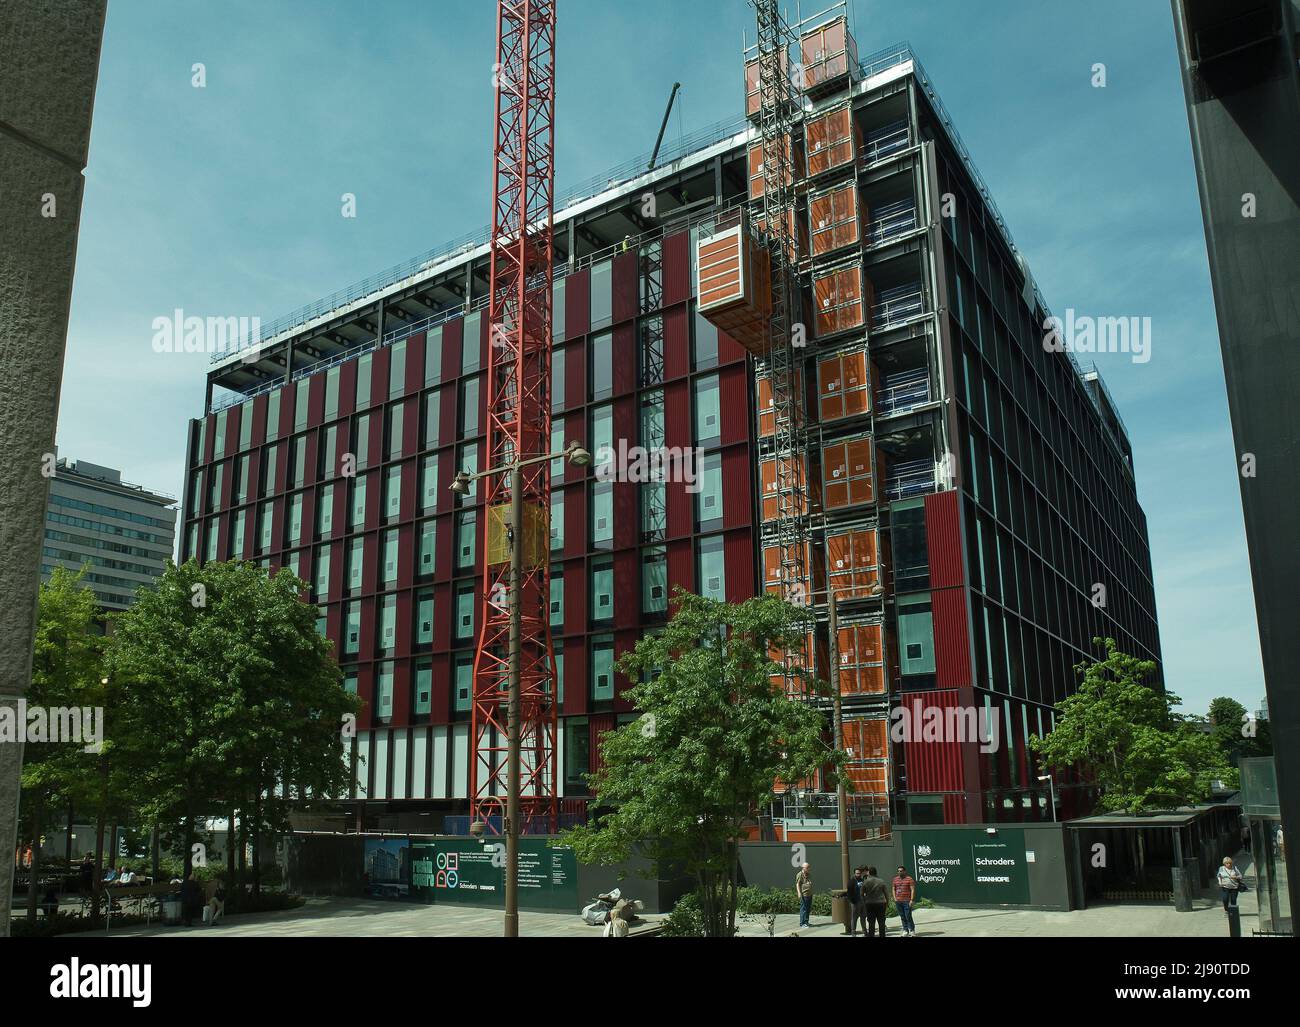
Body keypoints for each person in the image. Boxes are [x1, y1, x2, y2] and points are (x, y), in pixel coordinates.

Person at [861, 866, 889, 938]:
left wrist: (865, 901)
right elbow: (886, 893)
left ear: (869, 873)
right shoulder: (881, 881)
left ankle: (871, 935)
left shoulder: (866, 881)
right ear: (876, 872)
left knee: (871, 923)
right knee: (881, 922)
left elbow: (861, 894)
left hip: (870, 903)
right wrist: (887, 903)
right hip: (880, 903)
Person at [893, 865, 917, 937]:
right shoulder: (895, 879)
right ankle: (905, 930)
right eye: (898, 871)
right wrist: (895, 898)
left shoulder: (909, 879)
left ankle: (912, 930)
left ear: (904, 871)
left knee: (908, 916)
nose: (899, 872)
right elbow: (893, 889)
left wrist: (911, 900)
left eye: (901, 871)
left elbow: (912, 890)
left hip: (907, 901)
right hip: (898, 901)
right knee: (902, 916)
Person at [847, 866, 866, 936]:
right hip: (855, 902)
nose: (858, 874)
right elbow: (849, 893)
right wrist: (852, 901)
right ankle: (853, 931)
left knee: (863, 917)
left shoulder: (862, 880)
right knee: (854, 917)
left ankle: (864, 931)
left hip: (863, 901)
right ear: (854, 873)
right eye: (857, 873)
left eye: (859, 873)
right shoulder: (851, 881)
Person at [795, 863, 814, 928]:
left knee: (808, 909)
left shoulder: (808, 874)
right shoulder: (799, 874)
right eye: (807, 868)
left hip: (809, 894)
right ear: (803, 868)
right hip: (804, 895)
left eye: (809, 867)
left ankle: (806, 922)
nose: (809, 869)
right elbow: (797, 884)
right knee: (803, 909)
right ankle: (802, 923)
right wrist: (799, 893)